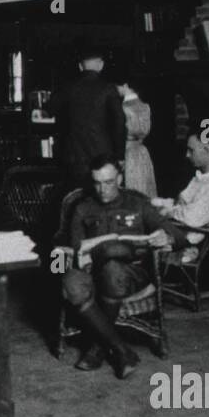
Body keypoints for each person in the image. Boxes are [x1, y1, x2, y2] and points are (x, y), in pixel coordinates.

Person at [59, 155, 171, 377]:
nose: (103, 189)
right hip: (93, 270)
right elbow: (75, 246)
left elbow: (169, 229)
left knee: (113, 270)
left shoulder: (137, 203)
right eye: (97, 183)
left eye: (109, 182)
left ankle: (97, 348)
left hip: (132, 272)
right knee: (70, 283)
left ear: (119, 178)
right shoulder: (83, 208)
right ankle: (121, 350)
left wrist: (165, 236)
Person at [49, 47, 125, 186]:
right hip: (102, 154)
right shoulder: (108, 89)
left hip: (73, 155)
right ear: (101, 65)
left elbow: (50, 110)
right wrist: (120, 155)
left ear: (80, 67)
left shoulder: (68, 87)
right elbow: (119, 122)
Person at [154, 133, 209, 260]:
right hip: (178, 229)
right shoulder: (202, 178)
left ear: (206, 150)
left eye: (191, 150)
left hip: (187, 238)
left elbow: (192, 218)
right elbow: (181, 202)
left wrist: (169, 212)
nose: (187, 155)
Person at [117, 82, 157, 198]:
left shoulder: (123, 108)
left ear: (125, 85)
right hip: (141, 152)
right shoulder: (145, 106)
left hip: (126, 153)